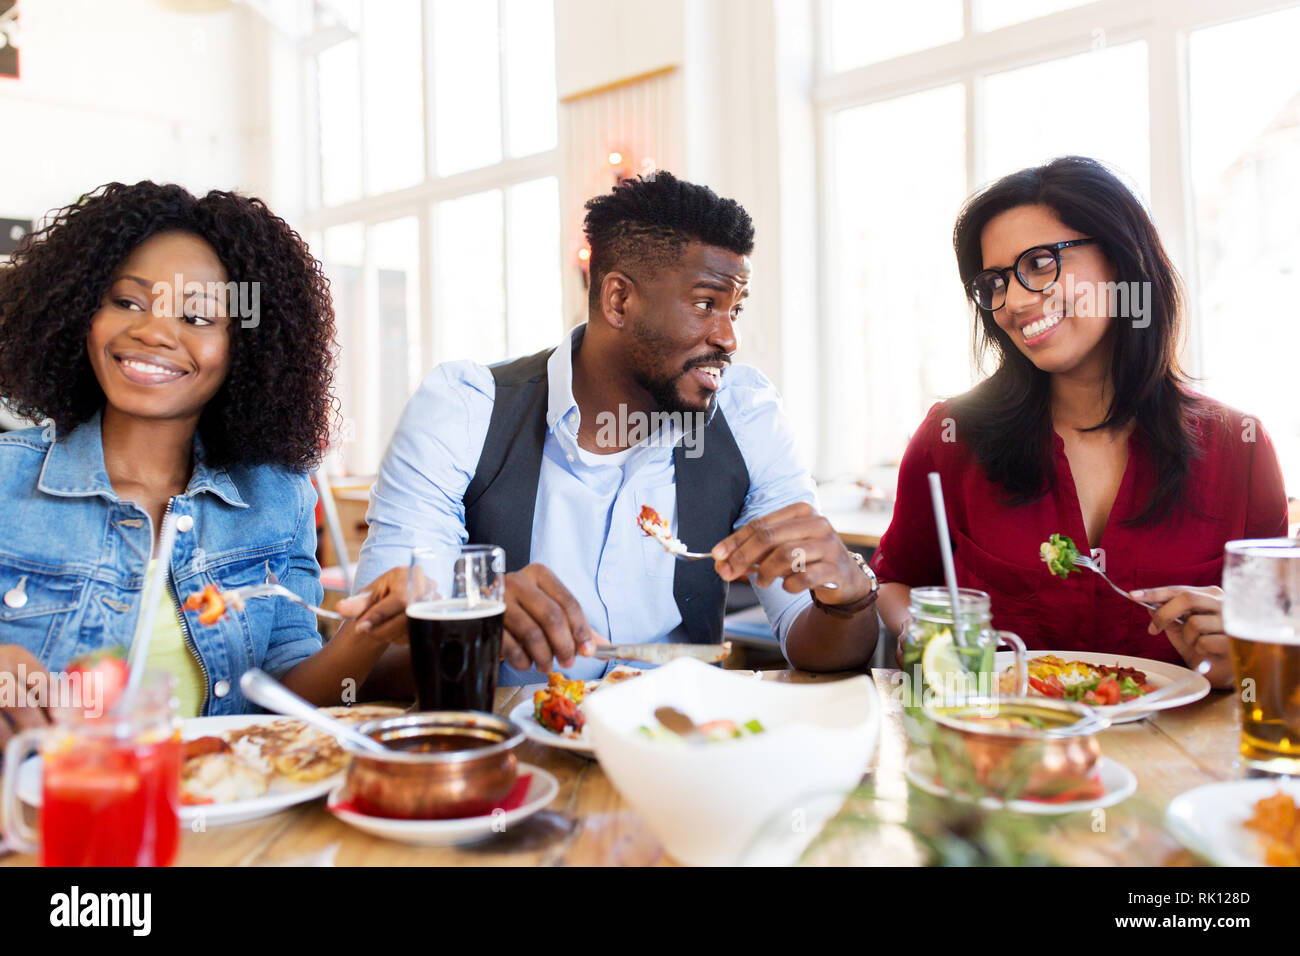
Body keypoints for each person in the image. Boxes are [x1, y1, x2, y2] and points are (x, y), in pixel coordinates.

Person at [350, 171, 879, 684]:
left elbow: (817, 648)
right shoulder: (463, 410)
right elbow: (371, 662)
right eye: (705, 305)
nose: (729, 337)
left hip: (683, 746)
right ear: (619, 300)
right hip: (515, 749)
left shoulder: (746, 414)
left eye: (734, 309)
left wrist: (849, 598)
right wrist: (474, 617)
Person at [0, 181, 405, 743]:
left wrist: (368, 632)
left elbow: (291, 701)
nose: (153, 331)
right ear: (79, 314)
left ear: (247, 347)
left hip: (231, 820)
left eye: (197, 317)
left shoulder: (277, 498)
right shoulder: (7, 483)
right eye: (127, 301)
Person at [872, 156, 1287, 688]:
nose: (1015, 302)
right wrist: (921, 629)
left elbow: (1276, 642)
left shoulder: (1240, 448)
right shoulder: (952, 438)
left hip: (1183, 762)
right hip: (1007, 757)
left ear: (1121, 258)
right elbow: (897, 579)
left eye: (1041, 263)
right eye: (994, 283)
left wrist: (1246, 654)